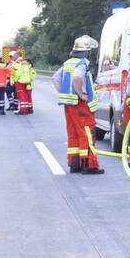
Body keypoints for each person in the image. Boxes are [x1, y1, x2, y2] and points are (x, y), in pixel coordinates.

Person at [53, 36, 104, 174]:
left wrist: (65, 91)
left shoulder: (68, 62)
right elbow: (76, 78)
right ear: (87, 51)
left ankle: (74, 164)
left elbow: (55, 78)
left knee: (73, 133)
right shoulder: (82, 63)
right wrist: (81, 94)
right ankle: (88, 165)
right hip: (80, 104)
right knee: (87, 133)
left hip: (68, 104)